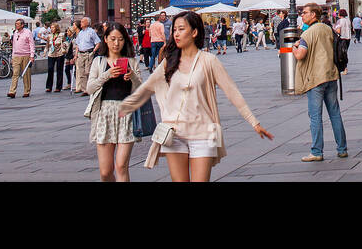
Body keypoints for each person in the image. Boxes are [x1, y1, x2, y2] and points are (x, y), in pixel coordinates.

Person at [119, 11, 273, 182]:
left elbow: (232, 91)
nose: (176, 34)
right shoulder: (169, 61)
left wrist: (254, 122)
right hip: (174, 134)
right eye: (174, 30)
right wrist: (126, 107)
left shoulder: (209, 61)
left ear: (194, 32)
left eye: (181, 29)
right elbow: (147, 87)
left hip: (203, 133)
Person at [84, 22, 143, 181]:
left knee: (121, 166)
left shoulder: (131, 62)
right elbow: (89, 88)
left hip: (126, 115)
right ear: (105, 39)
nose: (116, 43)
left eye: (121, 39)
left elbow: (141, 89)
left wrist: (133, 77)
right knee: (105, 172)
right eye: (113, 39)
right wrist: (107, 74)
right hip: (104, 115)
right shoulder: (99, 62)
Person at [293, 3, 347, 162]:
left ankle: (317, 151)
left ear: (313, 15)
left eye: (305, 13)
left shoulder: (307, 34)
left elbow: (300, 55)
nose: (302, 15)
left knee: (315, 116)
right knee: (335, 113)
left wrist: (294, 48)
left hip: (315, 79)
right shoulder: (327, 28)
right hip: (330, 75)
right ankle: (342, 148)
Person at [7, 18, 34, 98]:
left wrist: (32, 56)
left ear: (22, 25)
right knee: (15, 73)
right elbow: (14, 46)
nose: (16, 25)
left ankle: (27, 90)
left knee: (26, 74)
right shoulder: (15, 33)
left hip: (26, 55)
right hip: (16, 55)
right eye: (16, 24)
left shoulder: (27, 32)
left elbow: (31, 44)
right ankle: (12, 91)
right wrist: (12, 56)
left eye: (18, 24)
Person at [73, 17, 99, 95]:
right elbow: (78, 44)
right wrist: (76, 55)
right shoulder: (80, 33)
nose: (81, 23)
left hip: (88, 53)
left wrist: (93, 51)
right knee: (81, 72)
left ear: (87, 23)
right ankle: (85, 90)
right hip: (80, 53)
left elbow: (97, 42)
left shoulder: (91, 32)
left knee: (87, 71)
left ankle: (90, 87)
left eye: (82, 22)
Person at [45, 22, 69, 93]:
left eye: (53, 27)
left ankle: (58, 87)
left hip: (59, 53)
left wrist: (64, 47)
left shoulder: (61, 35)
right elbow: (47, 45)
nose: (52, 29)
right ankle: (49, 86)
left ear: (56, 28)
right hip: (51, 54)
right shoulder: (49, 36)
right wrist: (45, 51)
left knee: (59, 69)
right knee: (50, 69)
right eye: (51, 28)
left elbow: (66, 42)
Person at [64, 25, 78, 90]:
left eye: (68, 31)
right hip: (67, 55)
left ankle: (77, 83)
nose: (67, 32)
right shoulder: (67, 38)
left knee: (74, 70)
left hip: (72, 55)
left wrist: (74, 56)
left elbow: (74, 48)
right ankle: (69, 83)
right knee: (67, 69)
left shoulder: (74, 39)